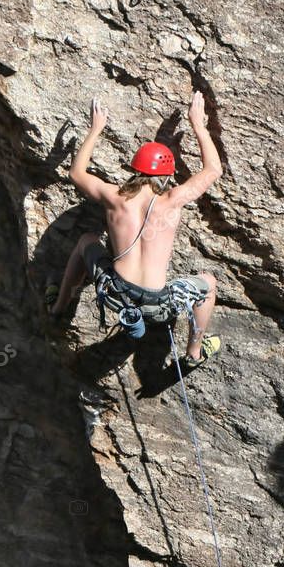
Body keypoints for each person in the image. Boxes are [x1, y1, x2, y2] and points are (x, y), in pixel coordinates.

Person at [47, 92, 223, 366]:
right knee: (209, 283)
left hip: (116, 293)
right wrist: (198, 125)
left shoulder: (114, 197)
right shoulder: (172, 200)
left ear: (135, 169)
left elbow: (76, 173)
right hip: (158, 303)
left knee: (86, 241)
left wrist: (95, 129)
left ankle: (58, 308)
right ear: (167, 176)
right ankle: (194, 352)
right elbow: (213, 170)